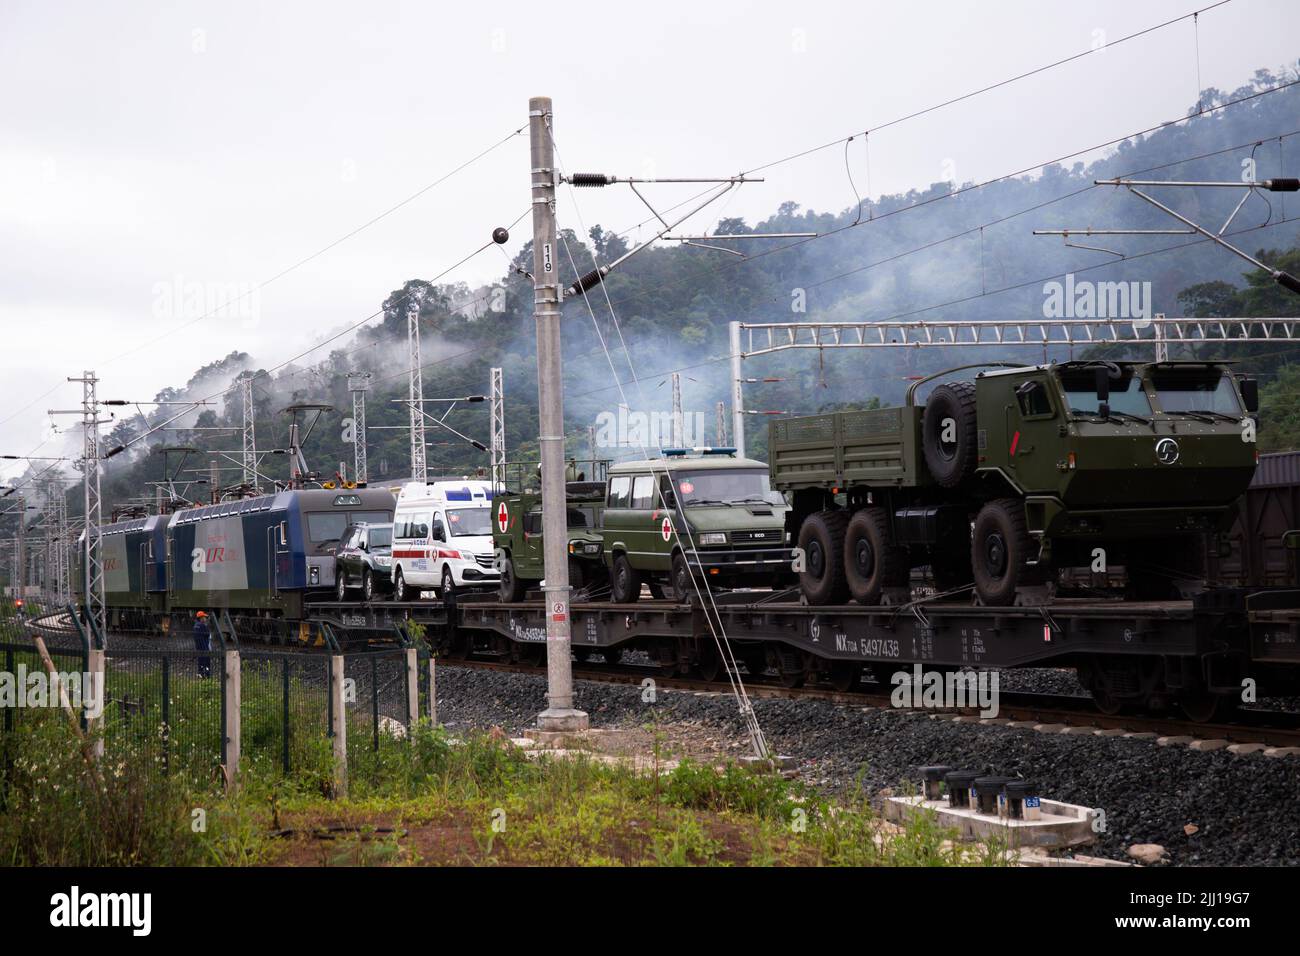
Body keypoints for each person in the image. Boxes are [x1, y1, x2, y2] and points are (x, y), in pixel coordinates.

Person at [192, 611, 212, 678]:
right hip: (205, 647)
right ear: (201, 618)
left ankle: (200, 675)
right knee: (206, 662)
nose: (206, 619)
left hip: (198, 647)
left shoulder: (195, 626)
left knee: (200, 662)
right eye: (205, 617)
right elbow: (208, 634)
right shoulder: (202, 625)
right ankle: (206, 675)